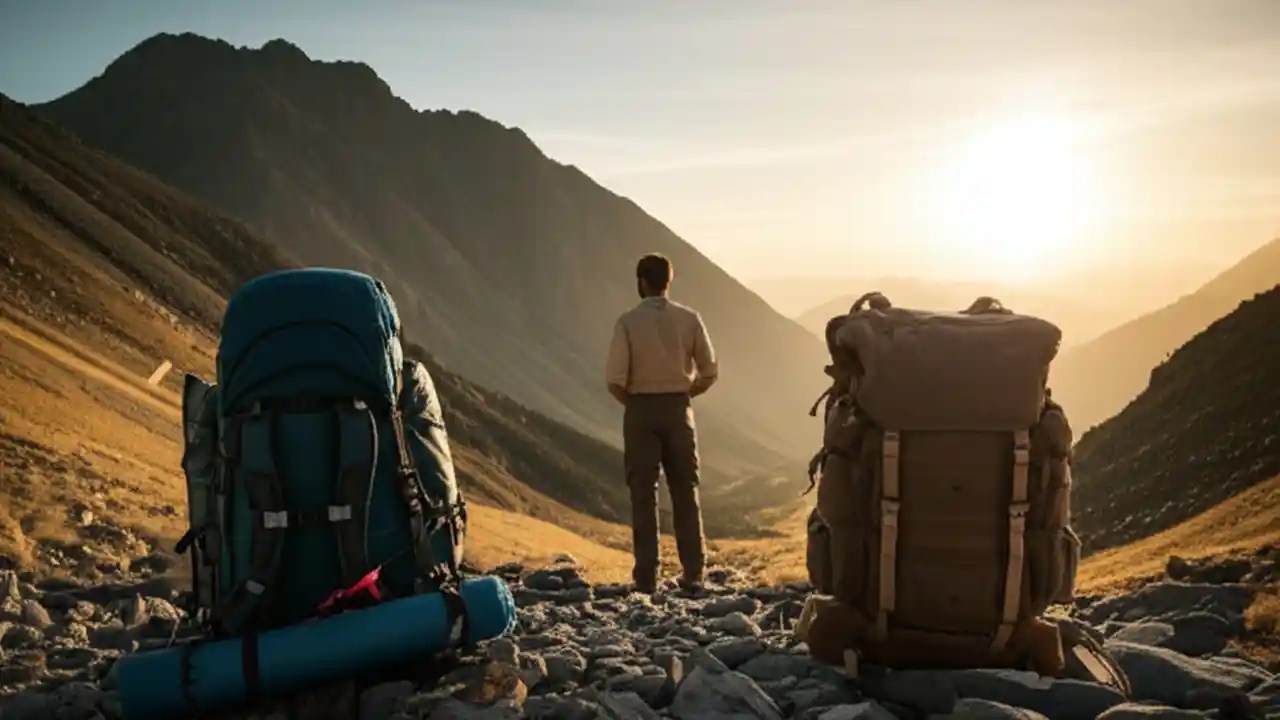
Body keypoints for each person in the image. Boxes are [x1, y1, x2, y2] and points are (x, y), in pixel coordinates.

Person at [606, 253, 718, 593]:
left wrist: (638, 402)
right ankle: (694, 573)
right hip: (679, 409)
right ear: (668, 281)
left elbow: (614, 380)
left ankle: (646, 578)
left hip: (640, 409)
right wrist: (684, 394)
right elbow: (710, 371)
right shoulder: (689, 319)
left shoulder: (627, 322)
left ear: (641, 281)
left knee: (644, 492)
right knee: (685, 488)